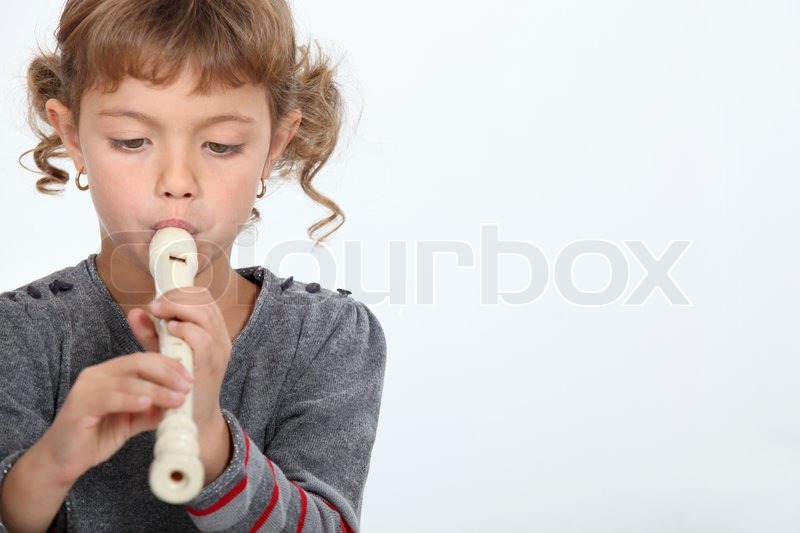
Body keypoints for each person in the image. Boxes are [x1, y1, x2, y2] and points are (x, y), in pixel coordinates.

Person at [0, 1, 386, 531]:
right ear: (72, 137)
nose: (177, 180)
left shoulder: (327, 337)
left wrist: (208, 441)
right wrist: (47, 466)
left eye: (221, 146)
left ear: (274, 145)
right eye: (131, 141)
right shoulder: (16, 335)